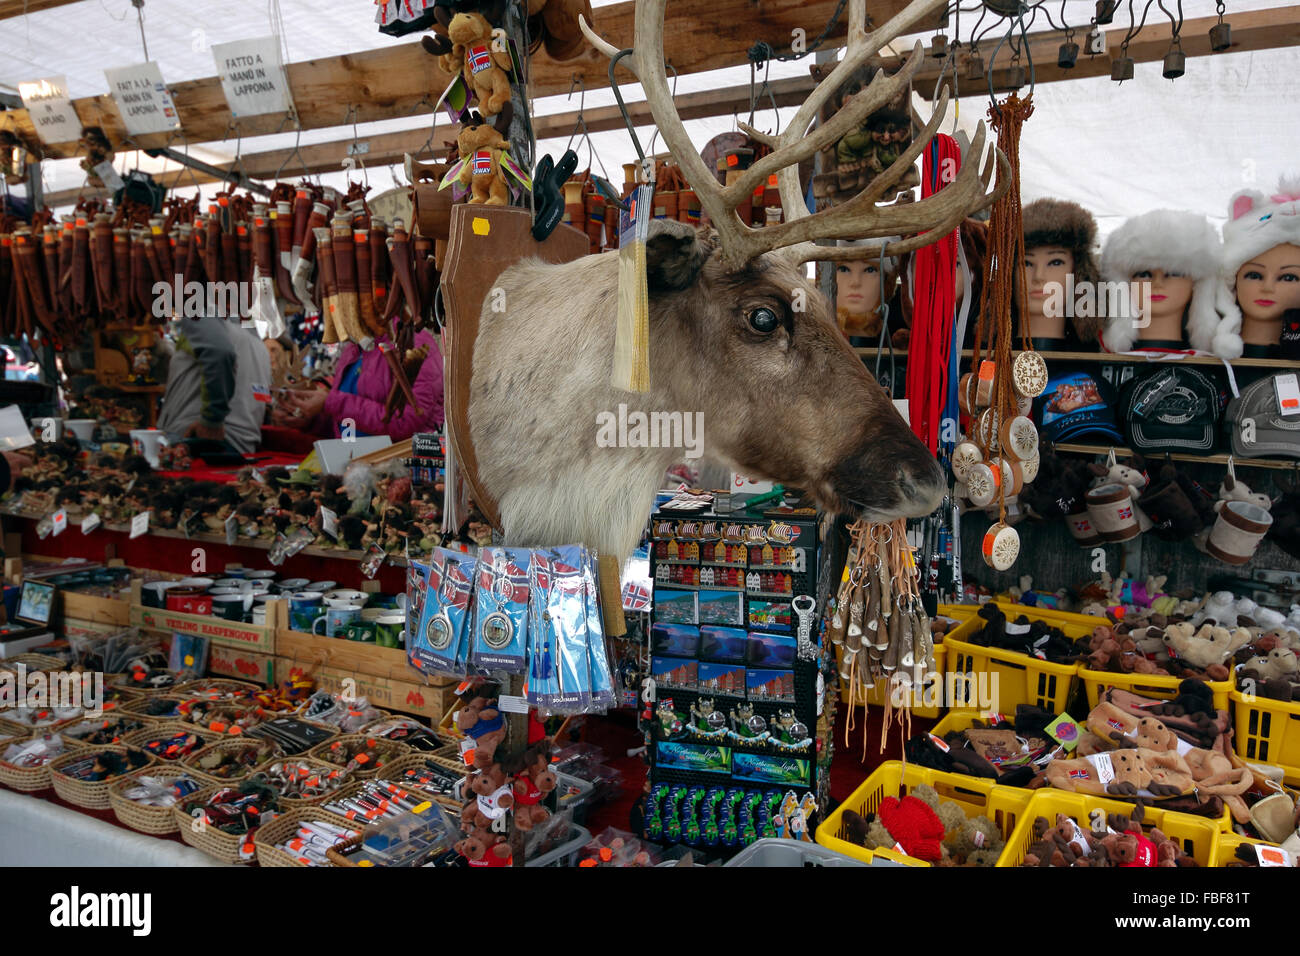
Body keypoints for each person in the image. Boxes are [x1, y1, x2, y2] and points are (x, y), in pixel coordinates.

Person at [273, 328, 444, 441]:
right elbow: (347, 425)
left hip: (400, 471)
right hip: (356, 468)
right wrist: (309, 418)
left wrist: (330, 402)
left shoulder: (414, 342)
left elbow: (405, 421)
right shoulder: (354, 349)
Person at [157, 315, 272, 454]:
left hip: (197, 443)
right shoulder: (254, 338)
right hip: (241, 446)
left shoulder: (202, 316)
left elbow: (219, 353)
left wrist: (211, 419)